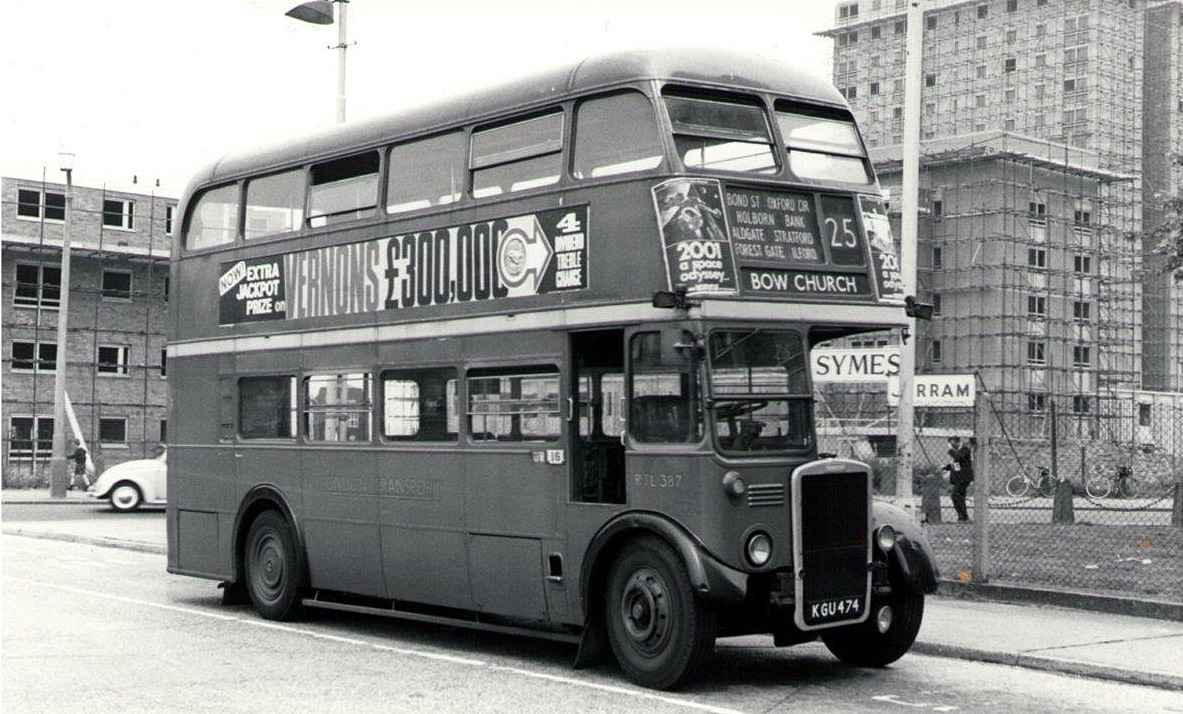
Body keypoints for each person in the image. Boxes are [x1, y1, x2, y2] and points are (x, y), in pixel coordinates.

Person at [943, 435, 974, 522]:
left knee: (955, 495)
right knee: (959, 497)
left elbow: (958, 457)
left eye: (953, 444)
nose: (951, 446)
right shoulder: (957, 452)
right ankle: (963, 517)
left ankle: (963, 517)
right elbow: (956, 463)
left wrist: (950, 450)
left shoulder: (964, 450)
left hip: (963, 478)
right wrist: (946, 467)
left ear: (957, 442)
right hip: (957, 478)